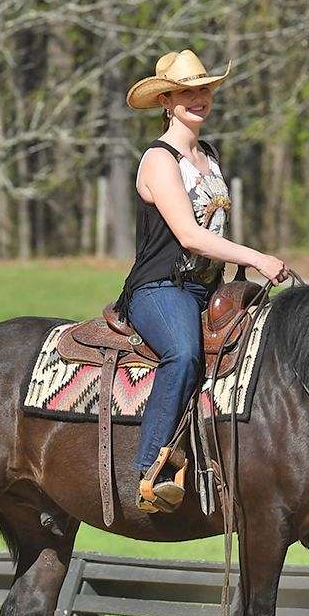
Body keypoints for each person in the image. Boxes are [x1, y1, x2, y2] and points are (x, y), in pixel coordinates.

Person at [117, 48, 290, 513]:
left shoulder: (209, 156)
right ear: (166, 101)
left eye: (204, 90)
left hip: (207, 288)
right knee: (184, 352)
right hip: (160, 289)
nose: (199, 99)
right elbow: (191, 236)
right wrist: (256, 257)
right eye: (188, 92)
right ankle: (149, 471)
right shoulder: (158, 159)